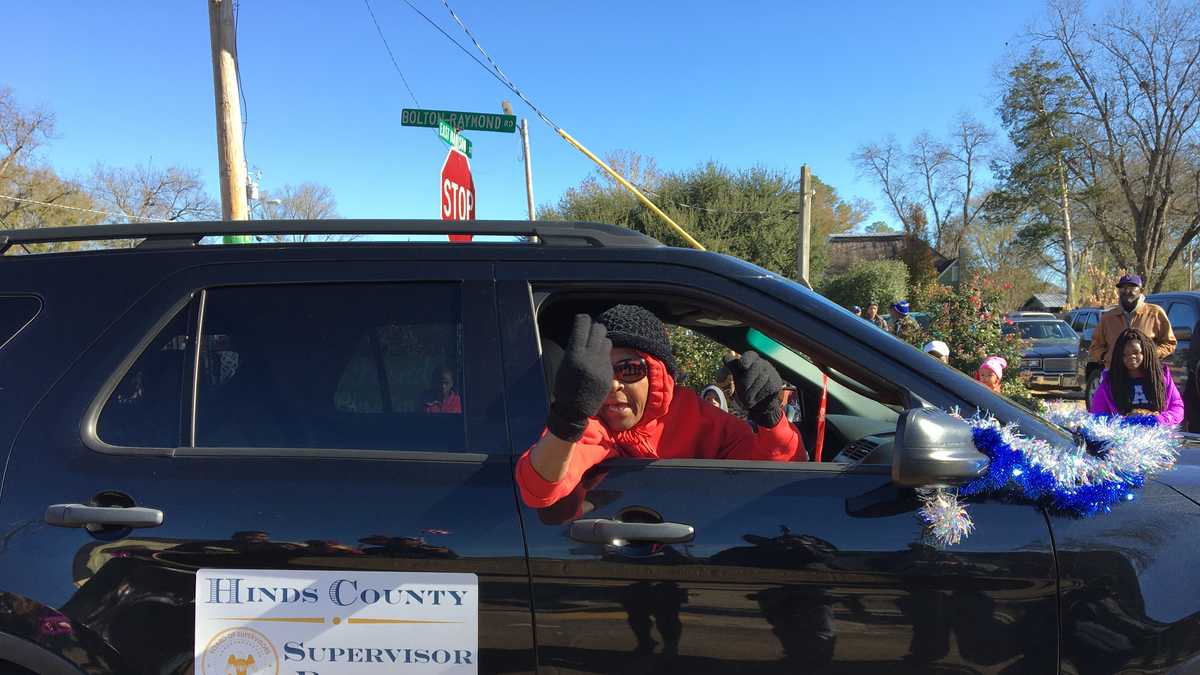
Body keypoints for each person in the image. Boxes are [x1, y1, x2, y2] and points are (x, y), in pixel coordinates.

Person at [515, 304, 805, 507]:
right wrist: (569, 416)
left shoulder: (696, 415)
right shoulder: (590, 424)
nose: (614, 385)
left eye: (628, 370)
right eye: (602, 373)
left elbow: (779, 476)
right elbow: (538, 488)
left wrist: (770, 416)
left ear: (657, 375)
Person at [1089, 328, 1183, 426]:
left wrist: (1159, 419)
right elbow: (1097, 414)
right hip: (1122, 438)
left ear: (1145, 352)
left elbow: (1177, 406)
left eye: (1136, 352)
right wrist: (1122, 422)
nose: (1131, 357)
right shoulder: (1109, 383)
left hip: (1157, 437)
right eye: (1125, 354)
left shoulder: (1162, 378)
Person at [1088, 274, 1176, 370]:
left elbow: (1169, 343)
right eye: (1122, 288)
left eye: (1131, 287)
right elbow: (1095, 346)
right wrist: (1106, 356)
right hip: (1116, 373)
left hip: (1147, 372)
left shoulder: (1155, 313)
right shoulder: (1108, 318)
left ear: (1141, 290)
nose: (1126, 291)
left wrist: (1151, 354)